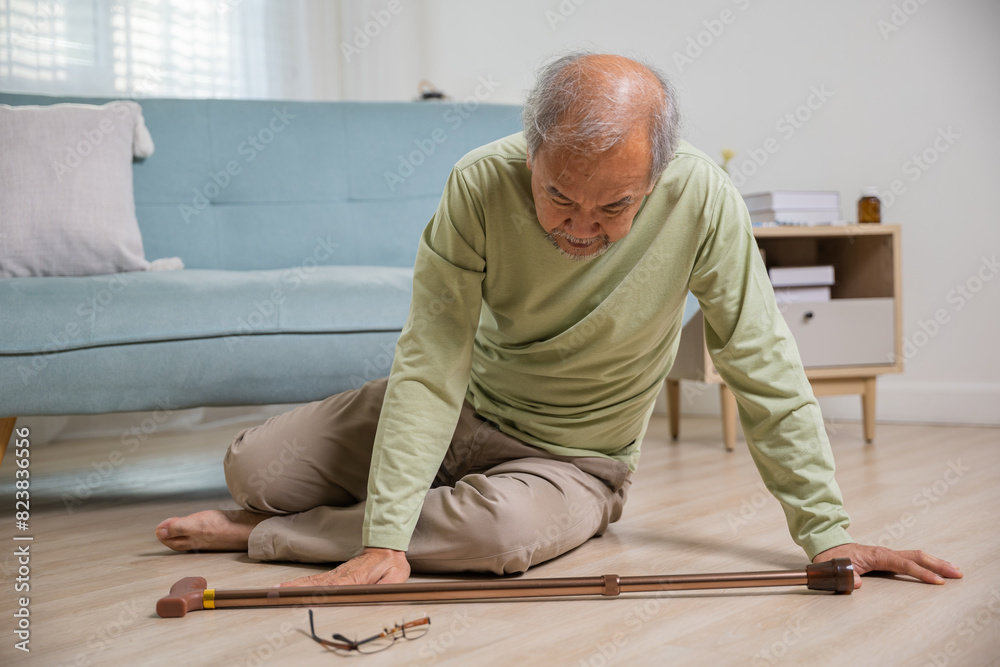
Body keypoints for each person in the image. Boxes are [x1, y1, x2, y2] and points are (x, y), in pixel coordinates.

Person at [156, 52, 961, 591]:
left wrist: (826, 530)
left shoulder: (702, 199)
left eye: (613, 206)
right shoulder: (479, 182)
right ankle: (351, 513)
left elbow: (762, 365)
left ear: (658, 173)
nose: (580, 226)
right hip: (462, 407)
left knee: (500, 537)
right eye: (557, 197)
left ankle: (270, 535)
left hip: (575, 463)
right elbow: (432, 361)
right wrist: (386, 533)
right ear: (532, 150)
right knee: (252, 467)